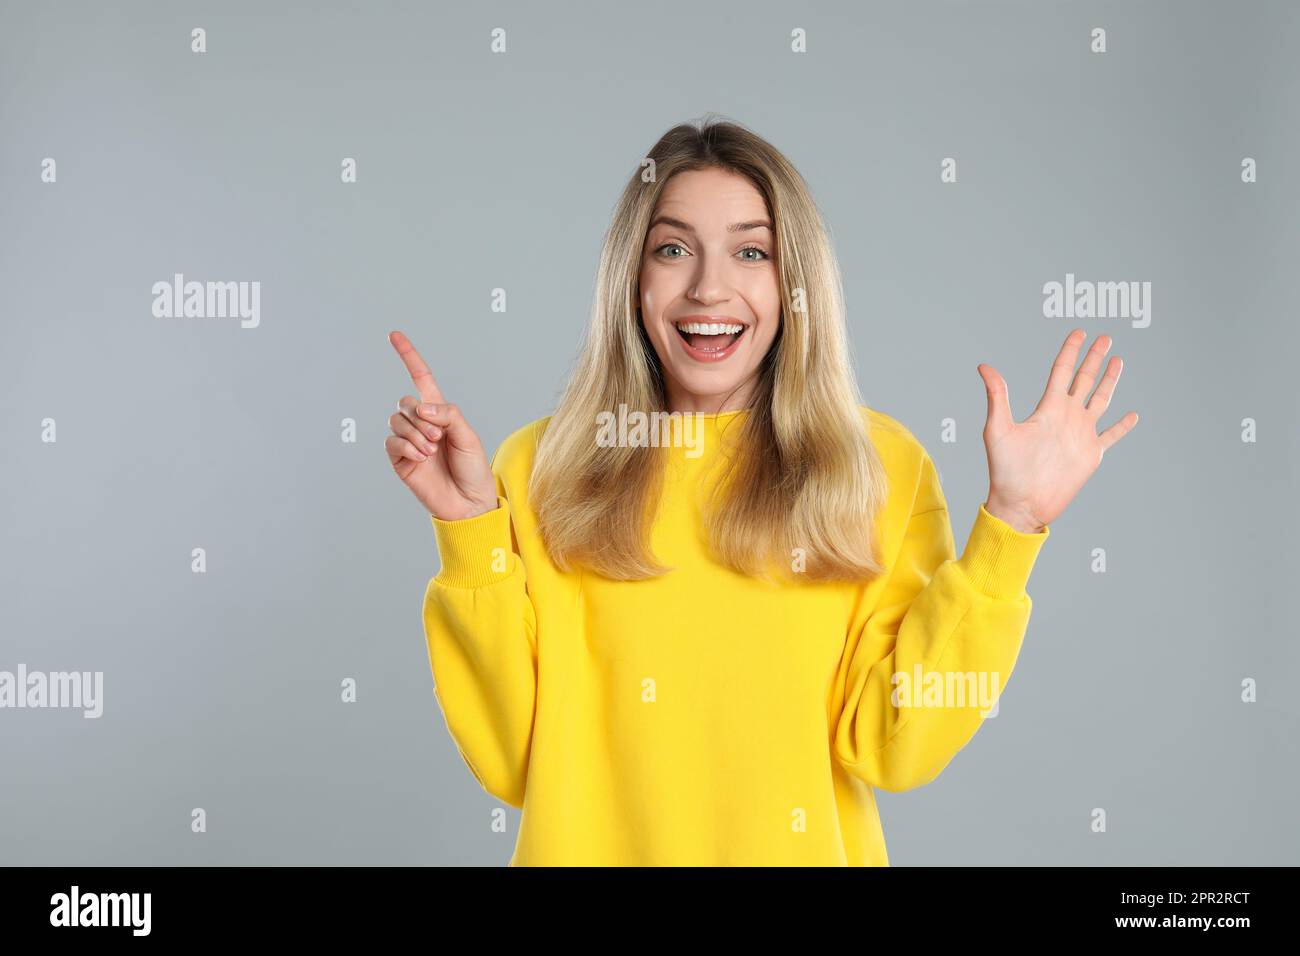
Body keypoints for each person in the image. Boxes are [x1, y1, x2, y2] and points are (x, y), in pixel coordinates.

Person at [385, 118, 1138, 866]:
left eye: (752, 252)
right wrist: (470, 530)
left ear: (794, 284)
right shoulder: (541, 467)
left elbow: (895, 748)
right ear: (632, 282)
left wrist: (1010, 525)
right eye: (672, 249)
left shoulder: (878, 469)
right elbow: (514, 762)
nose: (708, 287)